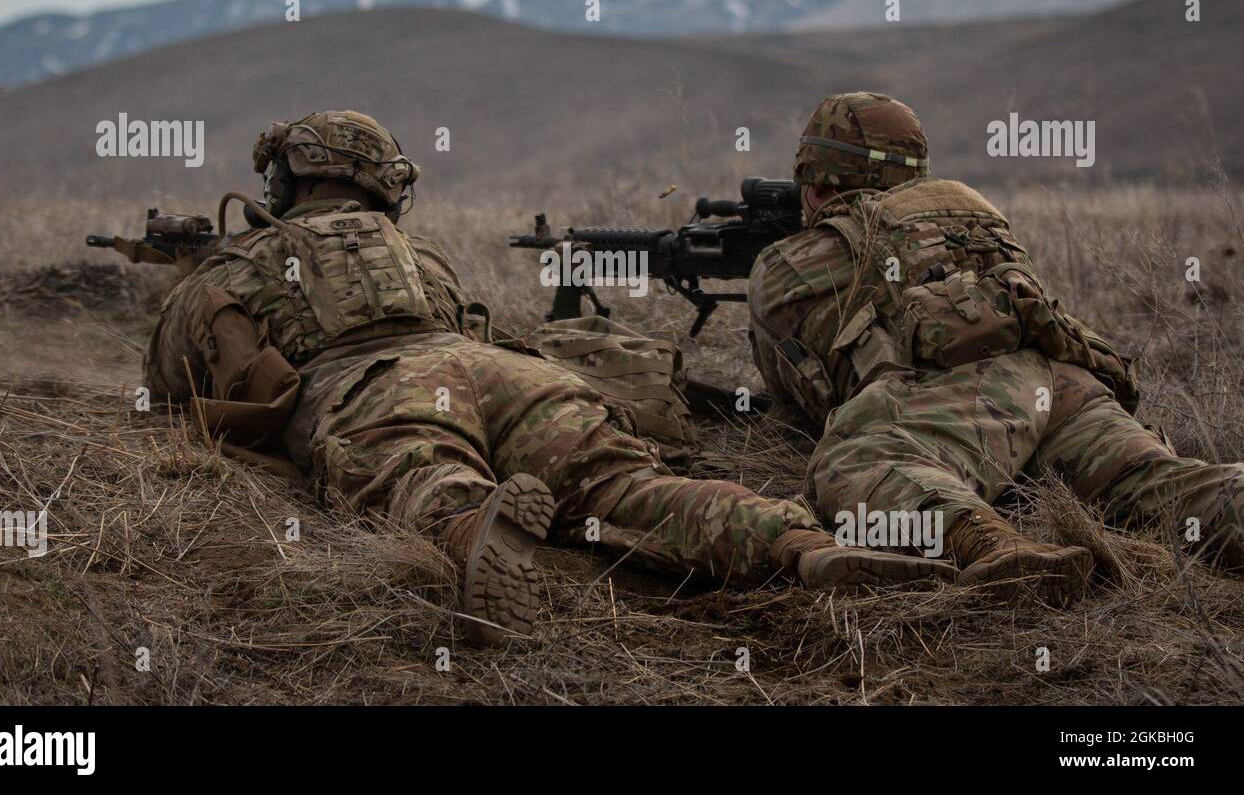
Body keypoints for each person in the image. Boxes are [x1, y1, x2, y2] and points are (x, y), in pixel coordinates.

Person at [145, 110, 950, 645]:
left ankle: (474, 531)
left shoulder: (243, 258)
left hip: (371, 383)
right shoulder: (420, 257)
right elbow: (462, 328)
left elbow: (174, 375)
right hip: (506, 372)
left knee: (418, 470)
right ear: (382, 186)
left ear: (285, 183)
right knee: (624, 480)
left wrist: (192, 283)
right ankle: (798, 542)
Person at [748, 92, 1243, 605]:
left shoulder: (792, 264)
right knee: (1162, 486)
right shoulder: (977, 217)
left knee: (852, 461)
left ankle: (994, 546)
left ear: (818, 181)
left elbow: (799, 400)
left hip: (960, 404)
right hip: (1064, 390)